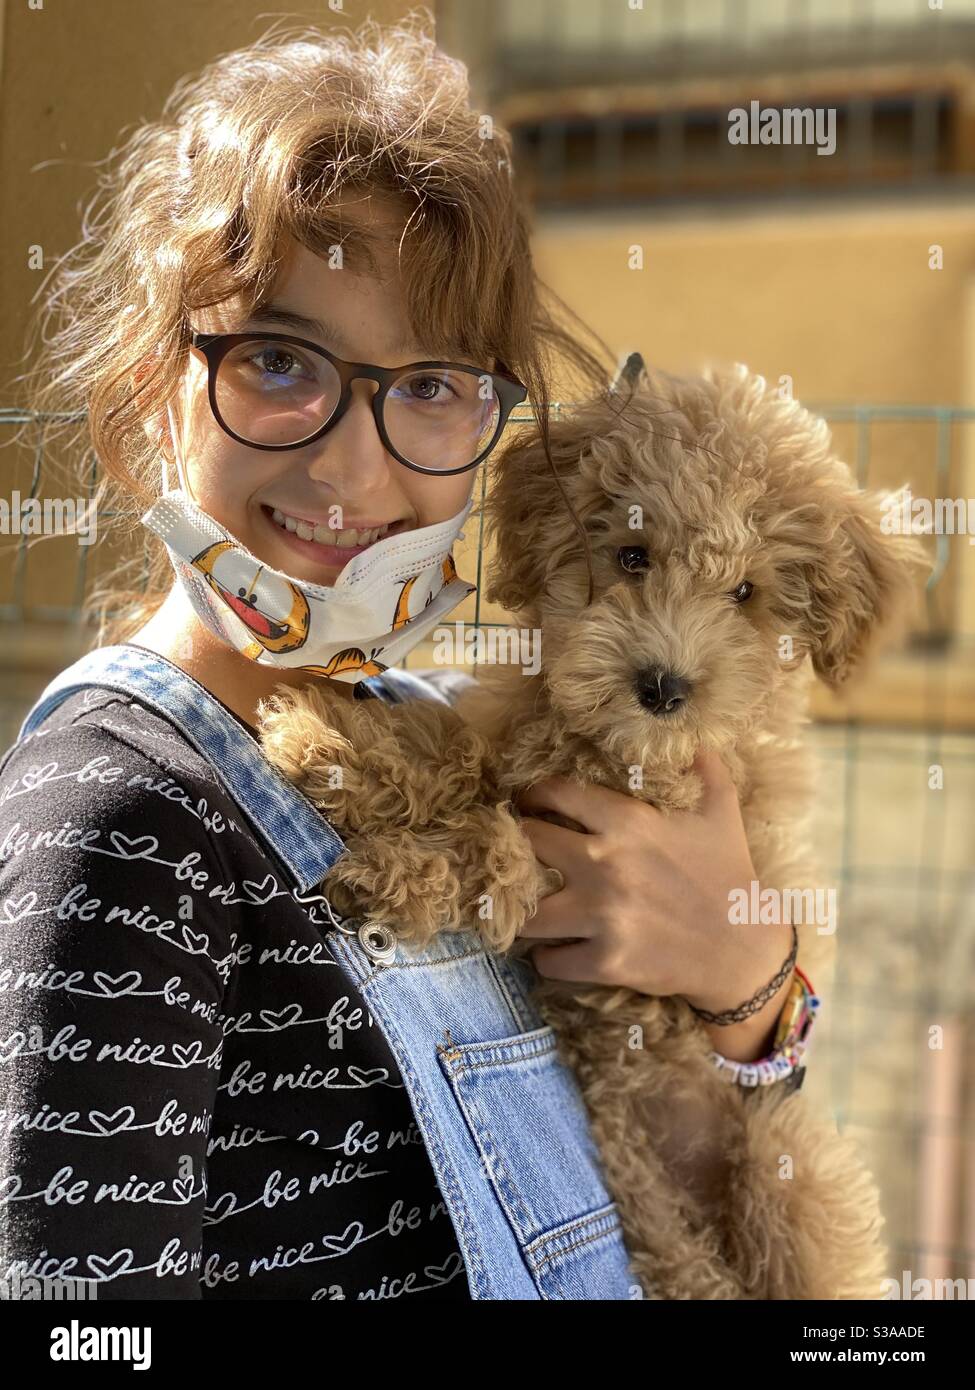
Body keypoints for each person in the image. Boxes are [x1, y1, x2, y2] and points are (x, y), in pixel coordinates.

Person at [0, 16, 815, 1301]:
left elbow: (684, 1147)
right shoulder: (120, 815)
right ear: (156, 386)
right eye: (279, 361)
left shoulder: (441, 737)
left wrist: (746, 989)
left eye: (432, 385)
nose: (351, 467)